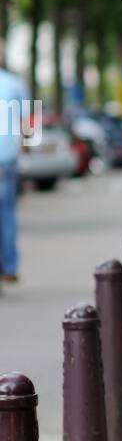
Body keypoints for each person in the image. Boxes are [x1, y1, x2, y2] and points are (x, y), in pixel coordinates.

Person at [0, 61, 27, 283]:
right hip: (6, 159)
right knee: (6, 213)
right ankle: (9, 267)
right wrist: (25, 145)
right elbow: (29, 119)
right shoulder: (14, 84)